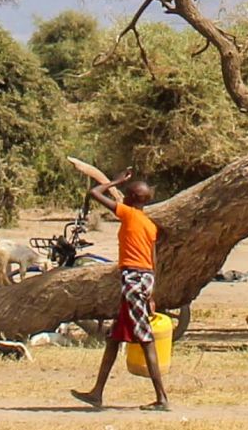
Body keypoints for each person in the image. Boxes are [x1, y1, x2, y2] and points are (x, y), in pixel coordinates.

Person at [67, 157, 170, 411]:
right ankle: (97, 393)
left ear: (132, 199)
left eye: (126, 194)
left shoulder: (128, 214)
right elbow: (153, 259)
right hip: (143, 278)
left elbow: (94, 192)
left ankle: (162, 399)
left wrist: (115, 180)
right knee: (114, 337)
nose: (121, 197)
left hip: (133, 278)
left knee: (145, 338)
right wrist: (151, 291)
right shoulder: (148, 224)